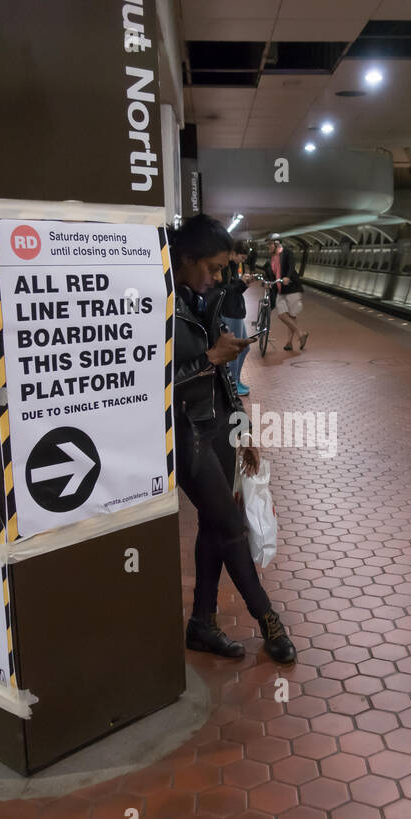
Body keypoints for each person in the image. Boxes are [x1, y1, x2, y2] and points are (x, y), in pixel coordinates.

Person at [171, 214, 297, 664]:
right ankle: (268, 620)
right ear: (186, 259)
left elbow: (223, 371)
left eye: (225, 268)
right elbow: (147, 385)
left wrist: (242, 427)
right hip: (186, 434)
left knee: (214, 523)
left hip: (218, 423)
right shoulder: (160, 302)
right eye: (214, 267)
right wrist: (209, 357)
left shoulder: (200, 297)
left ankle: (202, 623)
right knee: (230, 526)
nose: (220, 276)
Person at [214, 241, 255, 397]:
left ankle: (236, 380)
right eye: (242, 258)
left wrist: (244, 284)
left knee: (245, 347)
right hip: (229, 312)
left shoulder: (232, 267)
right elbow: (223, 290)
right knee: (235, 349)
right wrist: (240, 283)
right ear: (234, 253)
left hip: (237, 311)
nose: (242, 261)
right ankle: (232, 385)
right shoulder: (224, 267)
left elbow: (235, 290)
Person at [263, 237, 309, 352]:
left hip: (292, 287)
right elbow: (272, 272)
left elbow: (291, 265)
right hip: (281, 289)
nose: (268, 247)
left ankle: (289, 342)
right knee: (282, 314)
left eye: (269, 244)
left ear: (276, 244)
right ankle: (301, 334)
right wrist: (268, 282)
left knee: (292, 315)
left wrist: (288, 276)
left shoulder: (287, 252)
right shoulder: (272, 258)